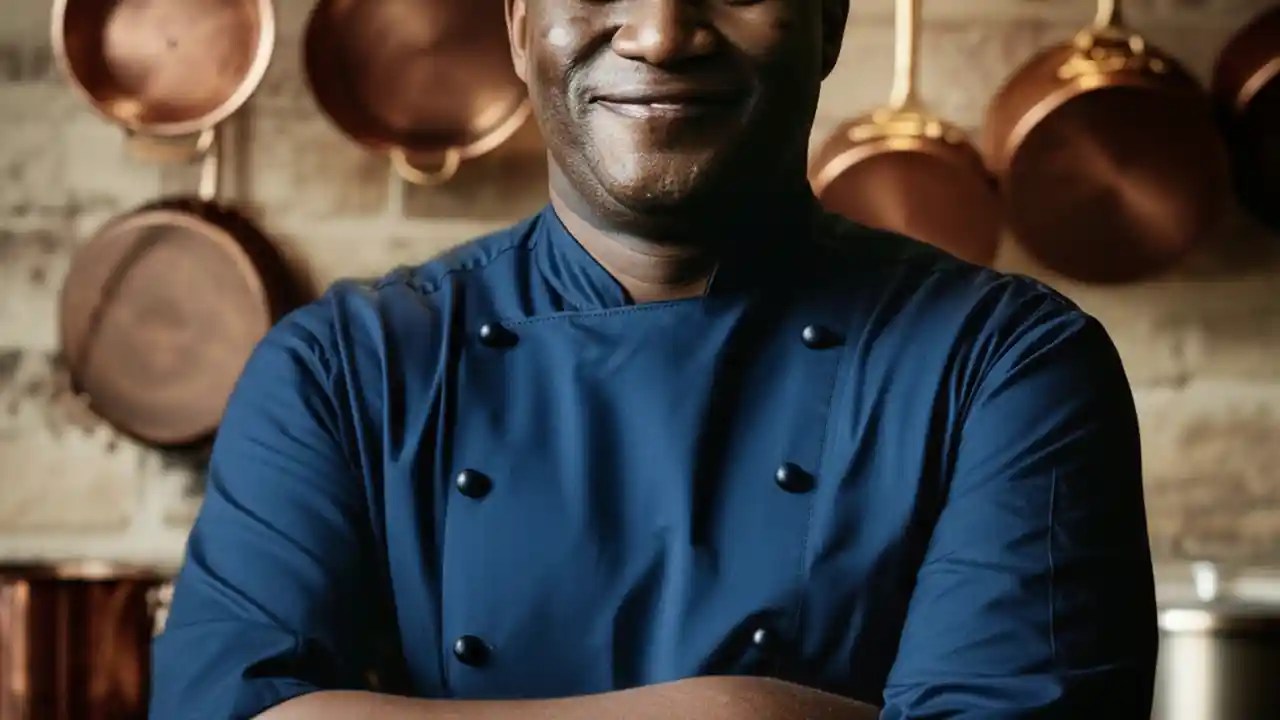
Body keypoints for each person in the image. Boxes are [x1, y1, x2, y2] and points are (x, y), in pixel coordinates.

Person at [149, 1, 1158, 718]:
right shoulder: (343, 368)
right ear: (515, 24)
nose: (661, 32)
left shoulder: (1004, 364)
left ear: (831, 23)